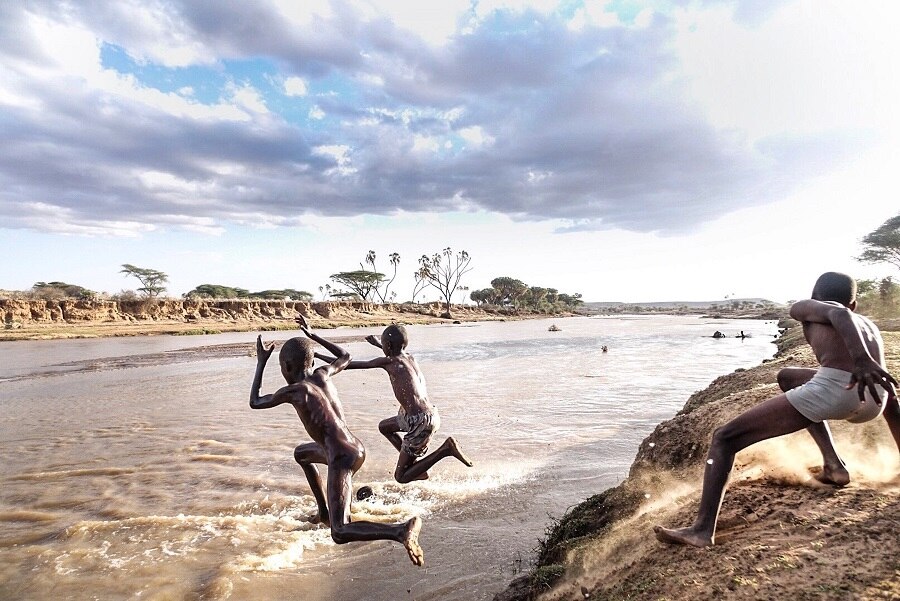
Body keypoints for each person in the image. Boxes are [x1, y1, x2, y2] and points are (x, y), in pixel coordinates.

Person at [655, 272, 898, 548]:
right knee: (789, 377)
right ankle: (834, 466)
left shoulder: (805, 307)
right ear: (855, 304)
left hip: (838, 389)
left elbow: (840, 316)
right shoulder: (868, 324)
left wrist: (861, 360)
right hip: (875, 399)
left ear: (814, 297)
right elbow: (886, 388)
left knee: (724, 438)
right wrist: (866, 370)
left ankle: (701, 530)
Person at [249, 315, 424, 566]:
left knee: (340, 532)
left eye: (280, 368)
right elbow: (345, 356)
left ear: (286, 367)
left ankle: (400, 530)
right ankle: (323, 514)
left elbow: (255, 402)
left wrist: (260, 363)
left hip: (341, 456)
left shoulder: (295, 390)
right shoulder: (322, 374)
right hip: (354, 446)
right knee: (301, 454)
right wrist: (313, 336)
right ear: (311, 361)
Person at [321, 324, 473, 484]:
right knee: (384, 427)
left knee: (401, 477)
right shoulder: (409, 357)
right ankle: (415, 466)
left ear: (388, 347)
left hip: (419, 422)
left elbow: (347, 364)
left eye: (384, 346)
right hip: (426, 414)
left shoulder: (388, 362)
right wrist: (379, 344)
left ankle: (445, 450)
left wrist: (318, 355)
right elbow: (396, 353)